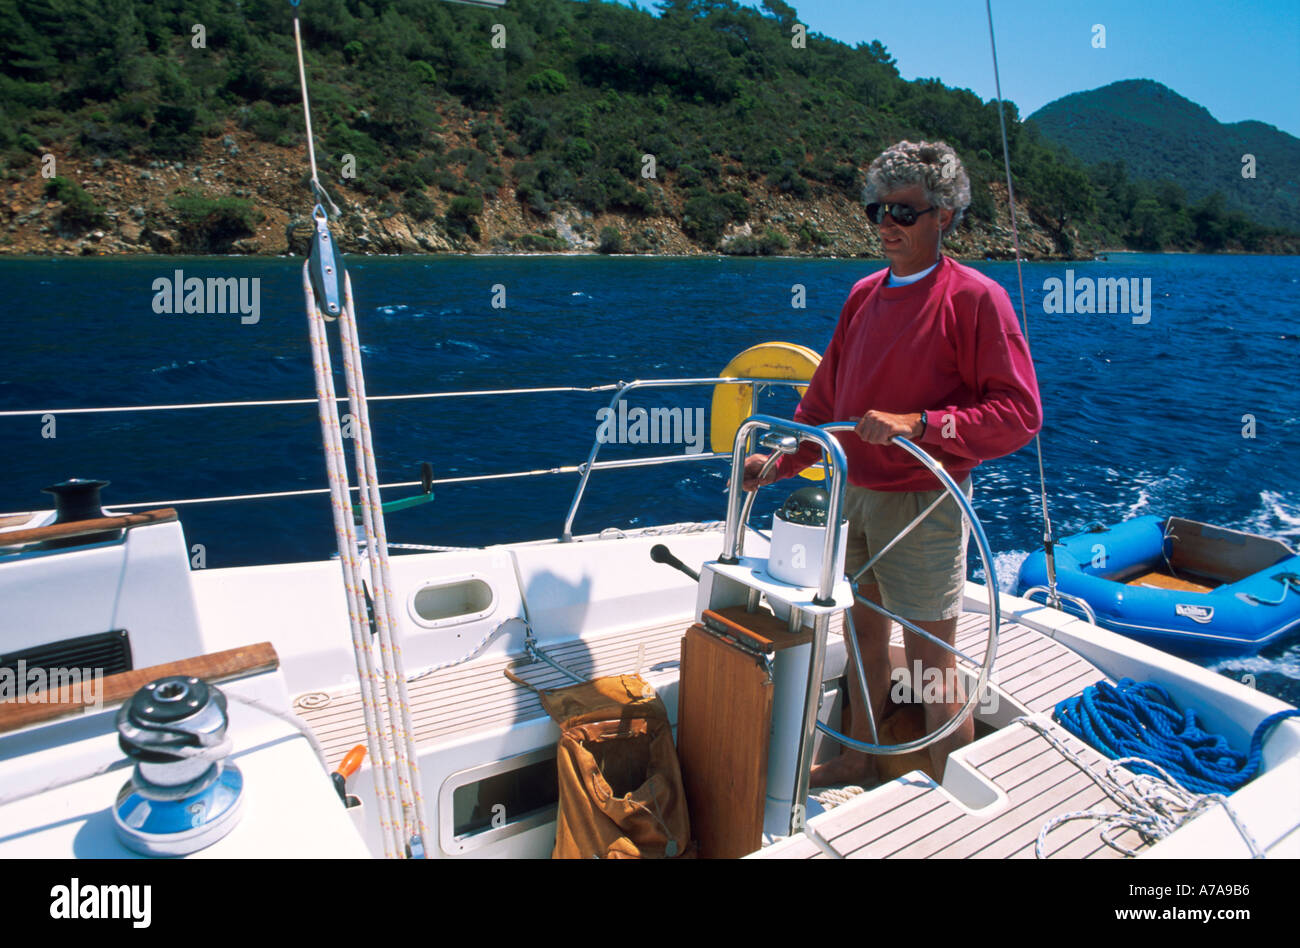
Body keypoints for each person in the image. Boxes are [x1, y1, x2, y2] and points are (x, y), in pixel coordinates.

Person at [741, 140, 1043, 786]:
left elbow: (1020, 414)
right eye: (879, 209)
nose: (887, 224)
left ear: (945, 215)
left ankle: (955, 794)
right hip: (855, 496)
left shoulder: (976, 300)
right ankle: (862, 759)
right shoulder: (862, 297)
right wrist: (782, 462)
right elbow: (825, 398)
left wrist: (922, 425)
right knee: (862, 638)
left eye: (904, 212)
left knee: (933, 662)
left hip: (923, 507)